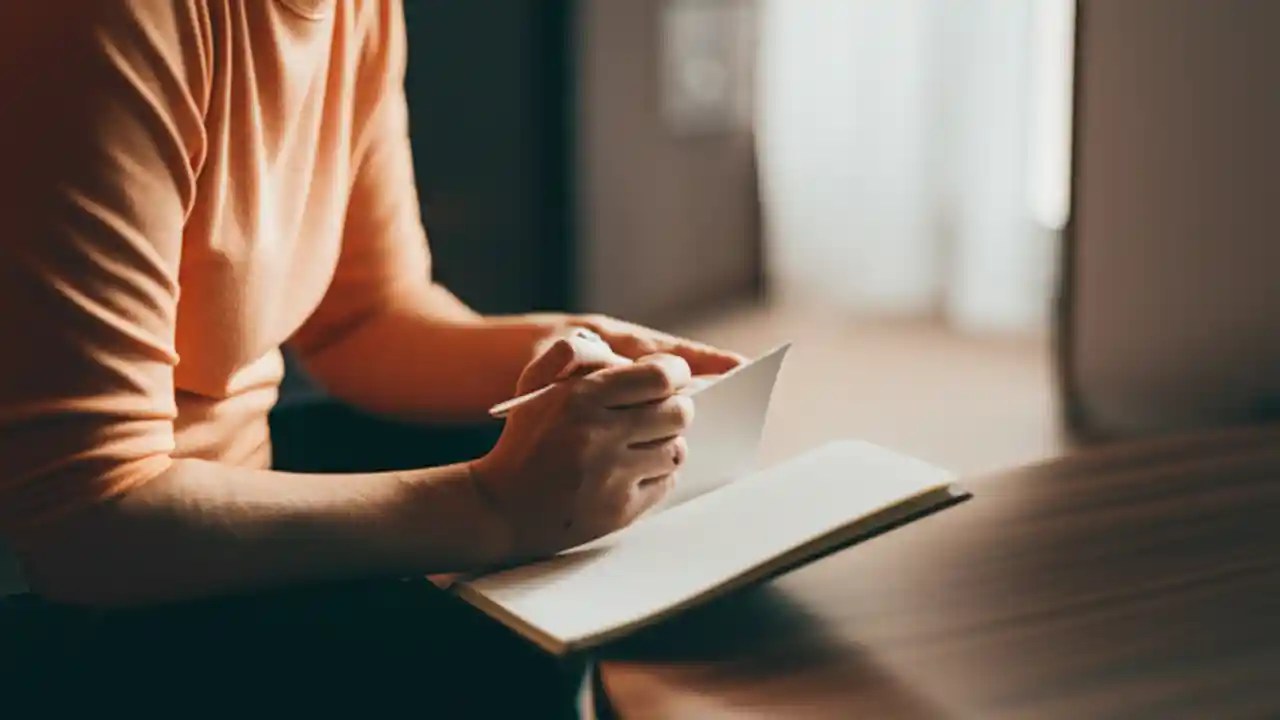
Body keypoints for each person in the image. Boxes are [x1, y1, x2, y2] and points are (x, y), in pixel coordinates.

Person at [0, 1, 741, 611]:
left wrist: (581, 360)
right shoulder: (99, 19)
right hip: (70, 604)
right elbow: (84, 524)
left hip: (215, 537)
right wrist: (491, 508)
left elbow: (367, 318)